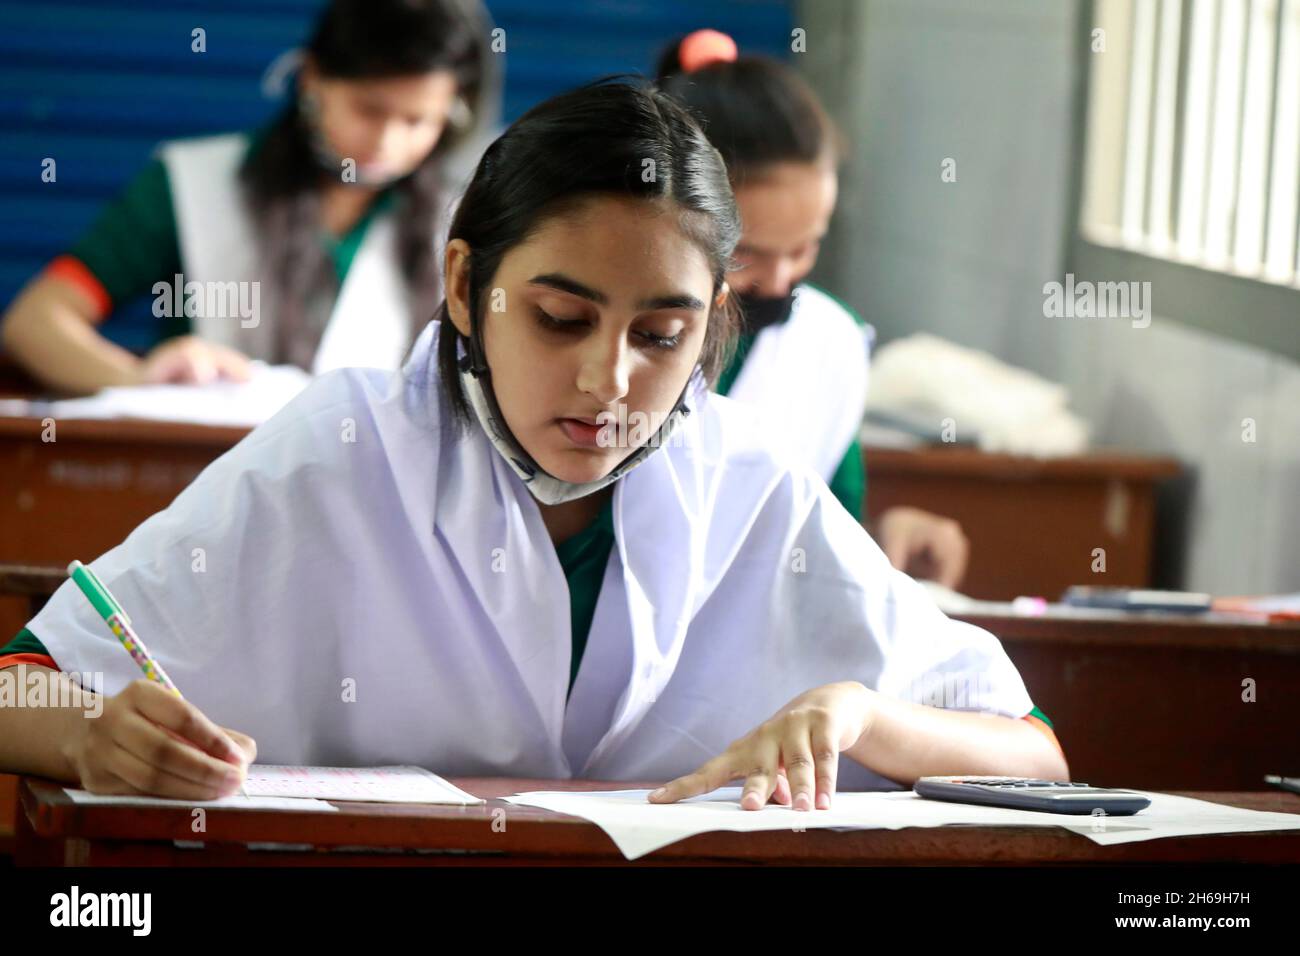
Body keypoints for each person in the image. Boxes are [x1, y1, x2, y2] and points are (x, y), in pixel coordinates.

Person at [0, 79, 1066, 813]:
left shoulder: (752, 484)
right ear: (466, 287)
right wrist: (93, 734)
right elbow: (18, 685)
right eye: (559, 318)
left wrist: (864, 714)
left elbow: (1037, 755)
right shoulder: (339, 448)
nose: (610, 382)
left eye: (662, 335)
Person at [0, 0, 494, 394]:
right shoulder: (193, 185)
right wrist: (139, 381)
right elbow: (36, 321)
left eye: (417, 121)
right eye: (368, 110)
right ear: (311, 80)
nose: (388, 143)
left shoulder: (460, 221)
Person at [658, 30, 971, 589]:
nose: (780, 280)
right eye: (747, 252)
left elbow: (827, 525)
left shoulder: (829, 342)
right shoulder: (627, 337)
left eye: (804, 247)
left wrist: (887, 536)